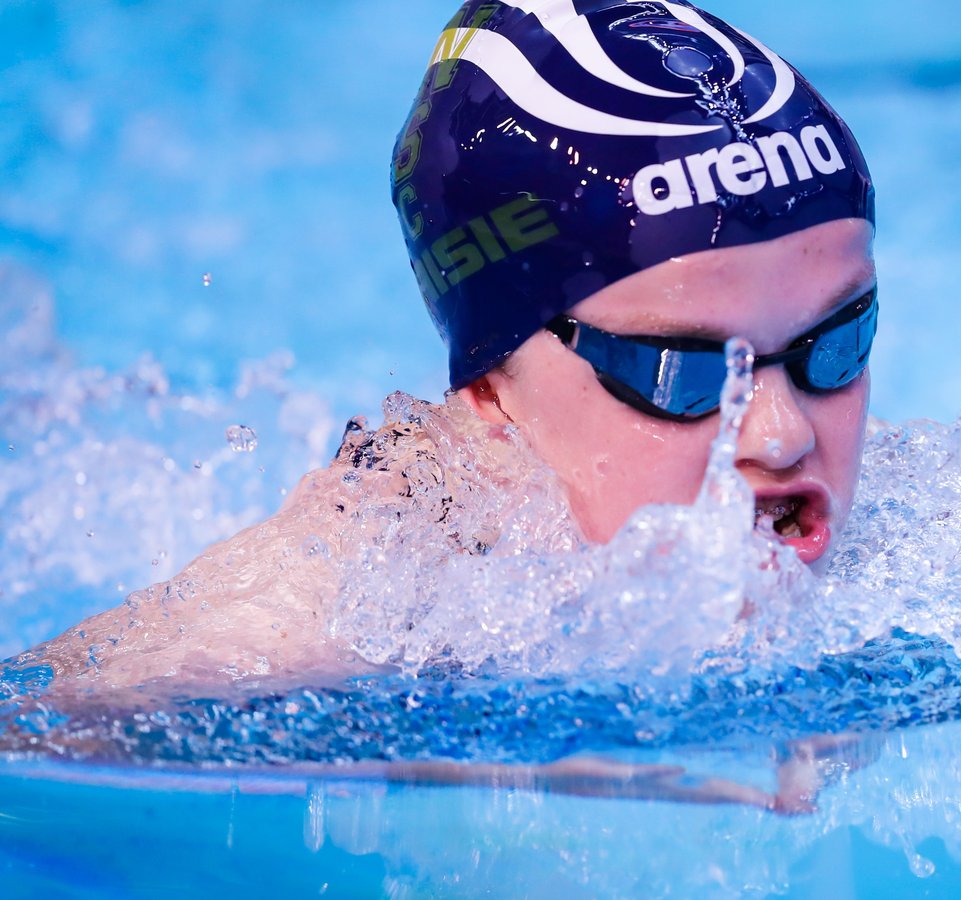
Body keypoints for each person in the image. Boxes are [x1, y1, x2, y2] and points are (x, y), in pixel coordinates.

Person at [6, 1, 879, 808]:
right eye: (682, 375)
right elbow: (27, 733)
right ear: (492, 391)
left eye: (838, 344)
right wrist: (469, 753)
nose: (782, 433)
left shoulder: (919, 536)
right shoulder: (366, 597)